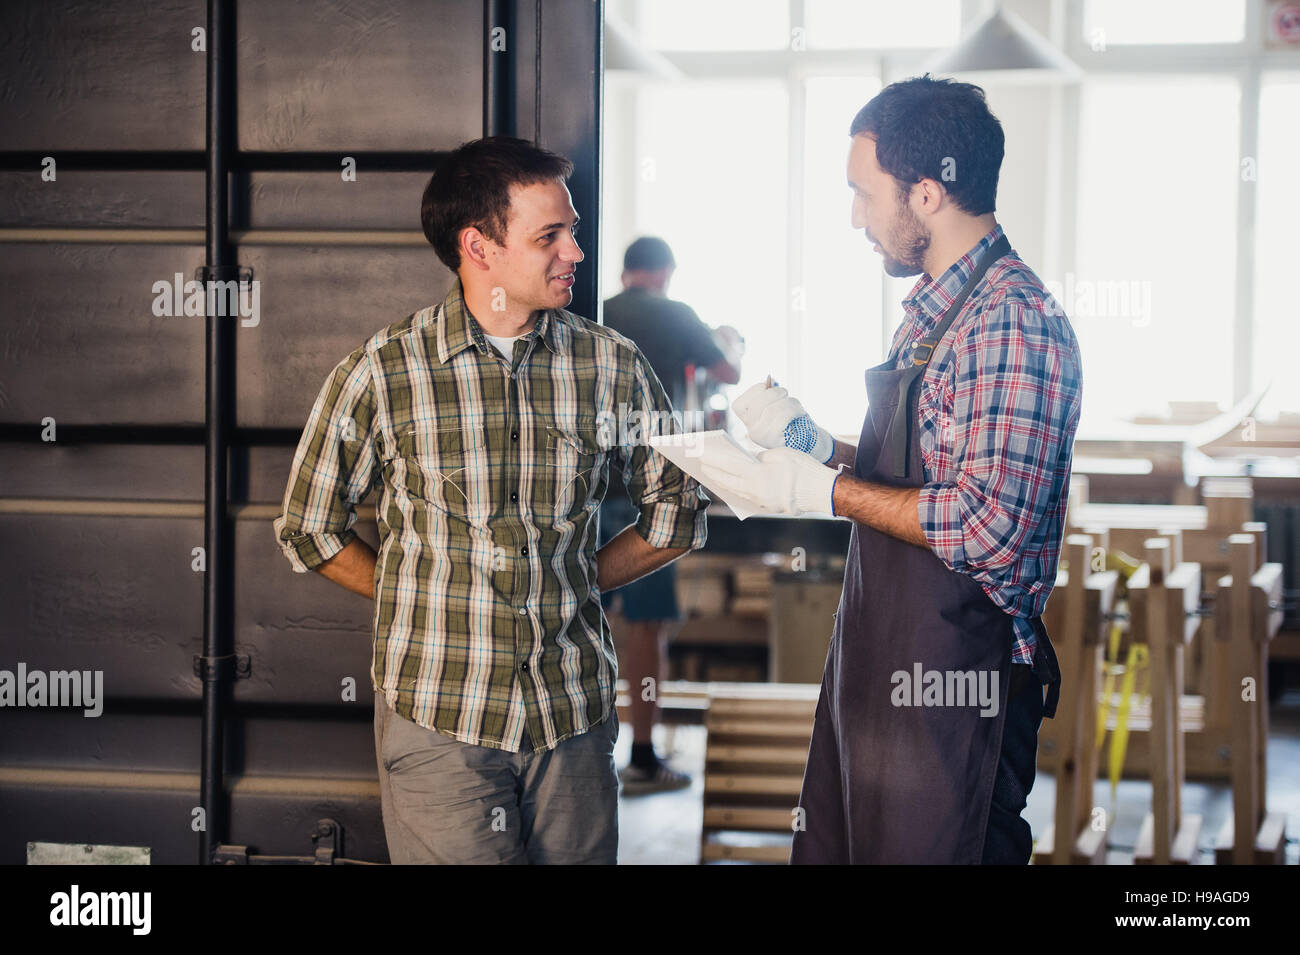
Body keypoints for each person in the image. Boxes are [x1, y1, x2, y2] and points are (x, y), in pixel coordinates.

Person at [272, 137, 710, 864]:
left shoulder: (613, 366)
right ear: (478, 246)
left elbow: (675, 514)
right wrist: (421, 592)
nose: (575, 249)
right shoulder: (384, 370)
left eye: (571, 228)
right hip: (439, 721)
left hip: (572, 719)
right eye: (550, 235)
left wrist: (574, 578)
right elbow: (308, 527)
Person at [700, 76, 1083, 864]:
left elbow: (989, 526)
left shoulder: (1009, 320)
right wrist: (817, 447)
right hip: (880, 668)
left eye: (861, 192)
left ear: (928, 193)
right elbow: (933, 472)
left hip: (956, 688)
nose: (854, 216)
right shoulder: (936, 312)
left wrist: (826, 492)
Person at [599, 237, 741, 792]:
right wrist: (728, 343)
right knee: (646, 627)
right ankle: (641, 755)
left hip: (586, 487)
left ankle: (585, 753)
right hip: (648, 494)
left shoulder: (594, 309)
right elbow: (726, 372)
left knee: (579, 615)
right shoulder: (676, 314)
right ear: (663, 273)